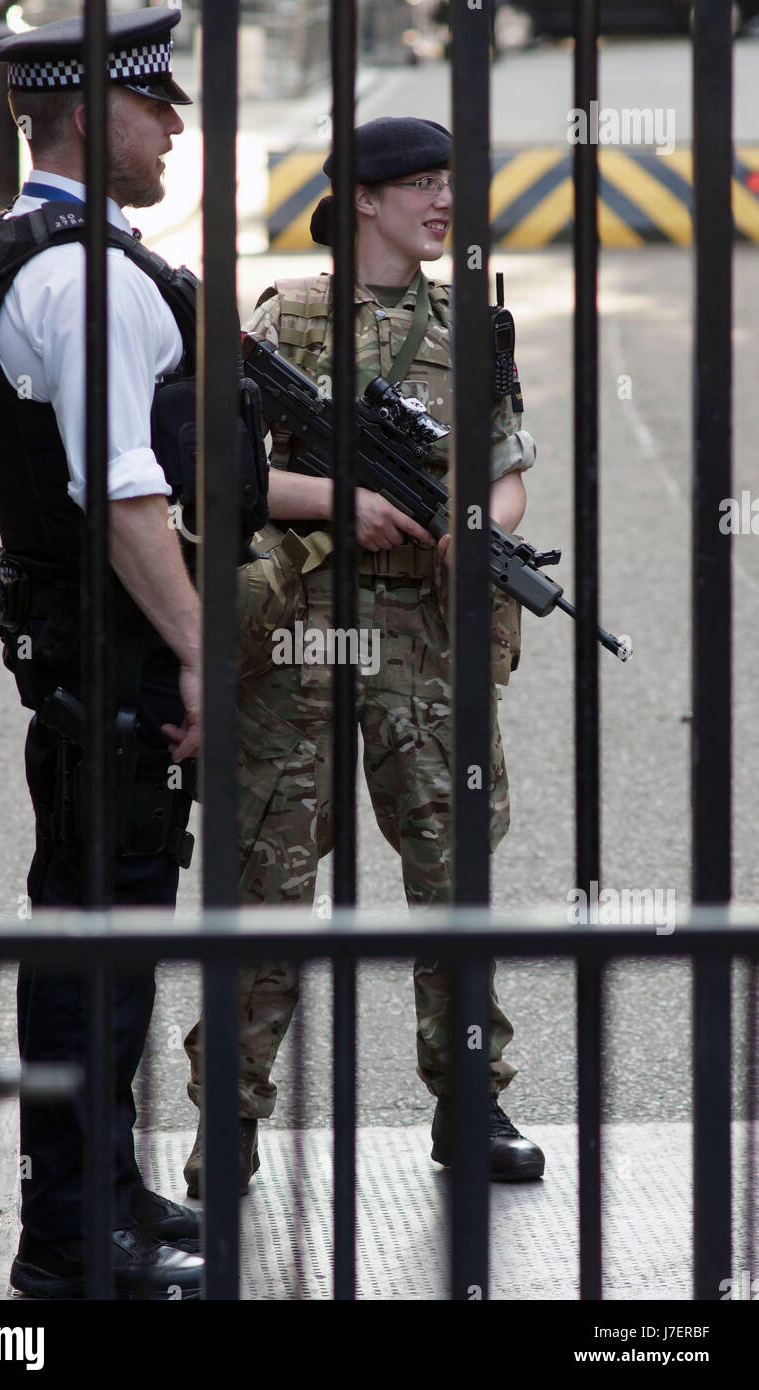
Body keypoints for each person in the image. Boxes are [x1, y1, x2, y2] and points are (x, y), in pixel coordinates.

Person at [182, 116, 545, 1196]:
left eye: (450, 182)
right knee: (266, 874)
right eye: (422, 184)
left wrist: (469, 521)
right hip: (295, 620)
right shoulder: (281, 322)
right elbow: (219, 472)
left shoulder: (474, 325)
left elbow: (507, 465)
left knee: (452, 872)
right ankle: (230, 1118)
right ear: (365, 204)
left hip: (420, 634)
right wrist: (344, 499)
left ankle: (470, 1101)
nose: (443, 201)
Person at [0, 7, 207, 1299]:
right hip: (110, 647)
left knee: (111, 925)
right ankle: (73, 1235)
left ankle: (107, 1190)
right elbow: (124, 489)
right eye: (157, 102)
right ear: (91, 113)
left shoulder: (67, 254)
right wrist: (191, 654)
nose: (176, 123)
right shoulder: (83, 274)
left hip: (86, 639)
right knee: (94, 938)